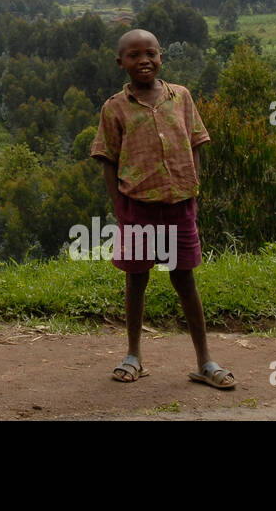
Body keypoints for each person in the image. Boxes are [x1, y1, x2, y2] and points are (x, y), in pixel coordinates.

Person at [90, 27, 235, 389]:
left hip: (180, 206)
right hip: (137, 208)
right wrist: (120, 208)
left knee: (184, 279)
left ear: (161, 56)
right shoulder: (115, 108)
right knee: (136, 280)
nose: (144, 61)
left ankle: (205, 361)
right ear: (120, 62)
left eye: (150, 53)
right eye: (135, 55)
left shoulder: (181, 97)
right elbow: (107, 160)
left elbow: (196, 142)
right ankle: (134, 355)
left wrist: (192, 186)